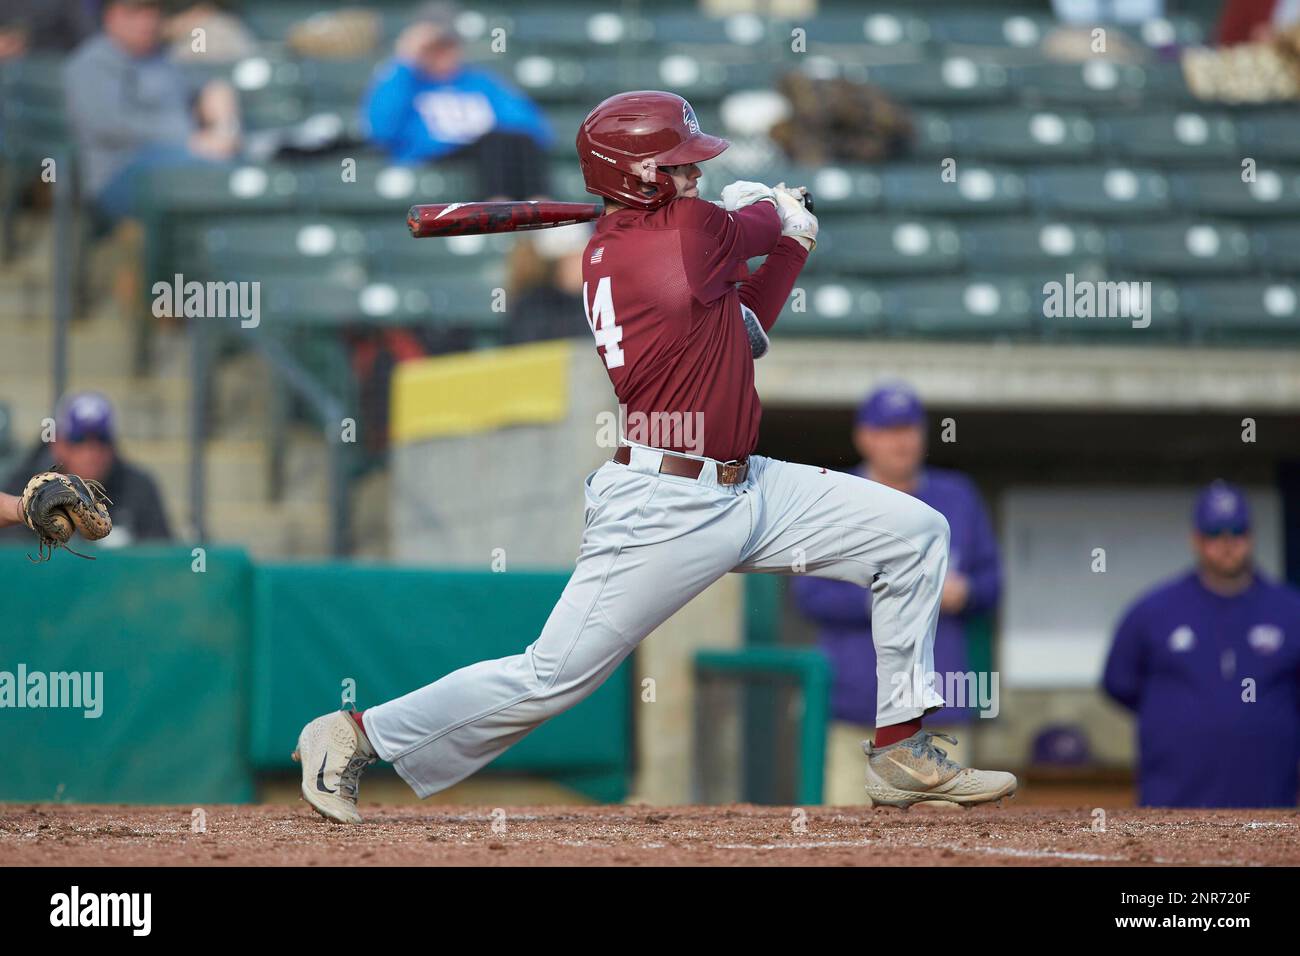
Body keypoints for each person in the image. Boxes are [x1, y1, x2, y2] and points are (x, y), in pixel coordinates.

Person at [293, 90, 1017, 824]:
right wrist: (778, 207)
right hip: (664, 503)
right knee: (550, 678)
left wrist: (790, 241)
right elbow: (749, 222)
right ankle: (353, 736)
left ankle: (898, 747)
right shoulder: (680, 236)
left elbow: (748, 327)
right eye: (678, 165)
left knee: (914, 533)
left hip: (750, 487)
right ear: (634, 174)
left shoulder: (651, 243)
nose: (694, 175)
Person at [791, 383, 1002, 804]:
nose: (901, 441)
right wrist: (891, 594)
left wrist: (968, 592)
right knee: (848, 836)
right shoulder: (833, 494)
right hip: (856, 710)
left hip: (939, 708)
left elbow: (993, 582)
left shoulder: (955, 495)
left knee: (945, 840)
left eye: (908, 429)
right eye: (887, 430)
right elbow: (807, 592)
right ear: (864, 437)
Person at [1103, 480, 1300, 807]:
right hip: (1171, 806)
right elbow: (1119, 683)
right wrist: (1183, 712)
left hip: (1269, 806)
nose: (1227, 543)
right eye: (1215, 533)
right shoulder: (1154, 610)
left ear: (1251, 536)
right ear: (1196, 539)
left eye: (1237, 532)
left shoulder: (1290, 610)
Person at [64, 0, 242, 222]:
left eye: (152, 11)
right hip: (118, 175)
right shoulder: (90, 62)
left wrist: (224, 124)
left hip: (182, 159)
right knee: (214, 175)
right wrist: (190, 140)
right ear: (110, 17)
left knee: (249, 165)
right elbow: (110, 124)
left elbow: (210, 90)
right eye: (134, 12)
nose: (146, 21)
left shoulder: (163, 57)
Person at [362, 1, 551, 200]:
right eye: (435, 47)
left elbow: (532, 125)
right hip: (433, 157)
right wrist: (405, 63)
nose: (444, 54)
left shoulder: (479, 82)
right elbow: (381, 130)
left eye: (449, 45)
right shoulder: (404, 82)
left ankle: (540, 210)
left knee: (514, 141)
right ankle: (497, 212)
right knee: (492, 144)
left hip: (486, 153)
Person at [0, 392, 172, 547]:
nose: (91, 453)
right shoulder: (27, 483)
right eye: (78, 440)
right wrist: (25, 510)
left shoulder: (137, 487)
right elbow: (12, 558)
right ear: (57, 444)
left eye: (101, 440)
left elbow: (160, 560)